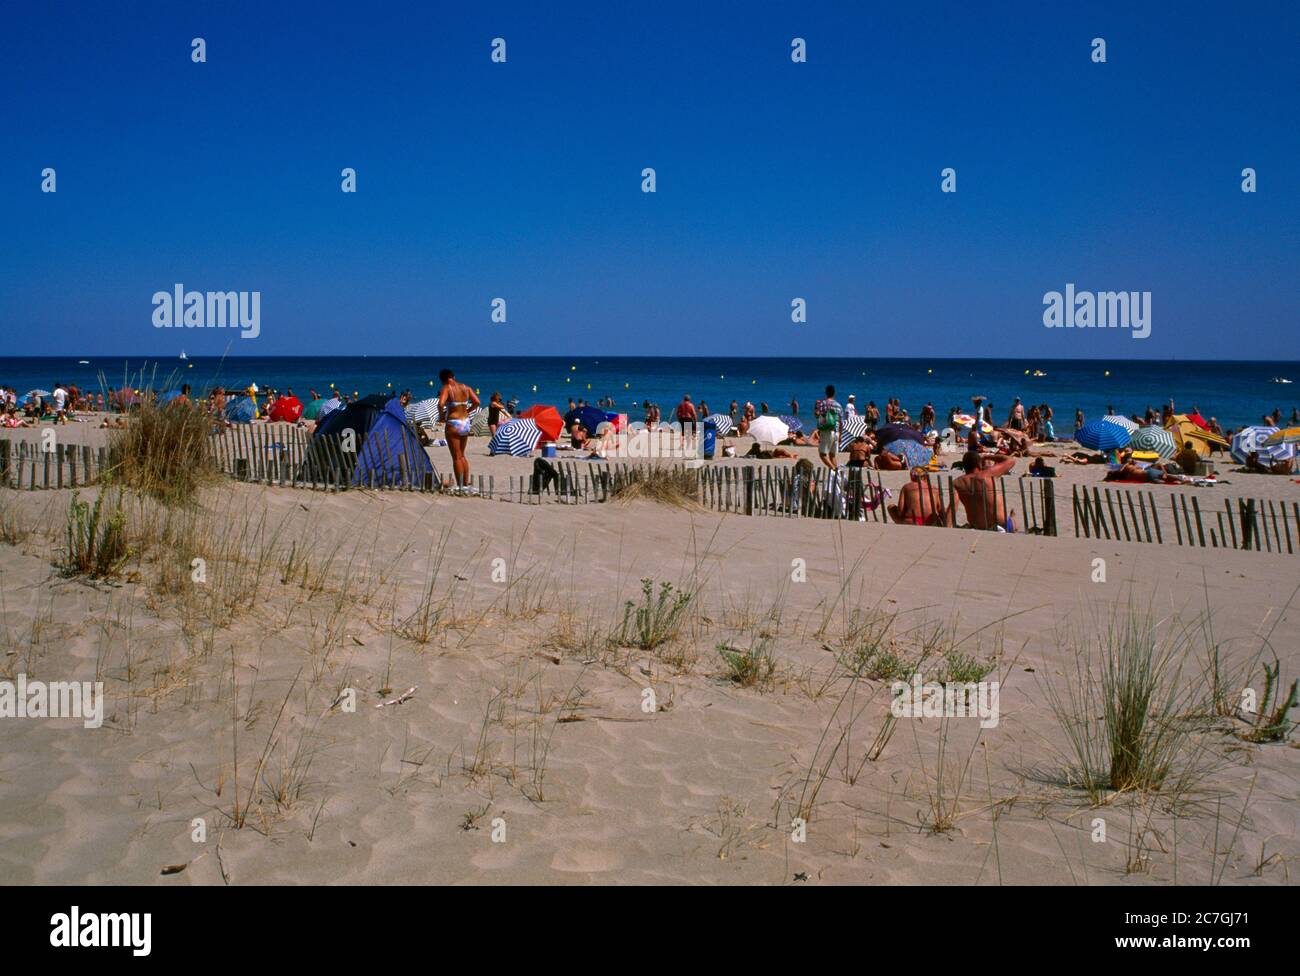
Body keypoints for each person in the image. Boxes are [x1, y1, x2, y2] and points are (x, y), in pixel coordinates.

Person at [437, 368, 480, 492]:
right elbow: (477, 402)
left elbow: (440, 404)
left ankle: (461, 486)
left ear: (443, 380)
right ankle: (465, 484)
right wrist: (468, 410)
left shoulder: (446, 388)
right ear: (453, 376)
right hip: (465, 422)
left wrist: (441, 416)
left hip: (454, 423)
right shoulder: (465, 387)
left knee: (456, 457)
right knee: (462, 455)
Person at [953, 450, 1017, 531]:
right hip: (1002, 526)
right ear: (979, 464)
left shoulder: (957, 483)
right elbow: (1011, 460)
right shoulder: (988, 474)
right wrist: (987, 457)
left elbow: (953, 506)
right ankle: (1013, 519)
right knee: (1013, 519)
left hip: (977, 527)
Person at [813, 384, 842, 471]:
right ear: (834, 393)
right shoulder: (838, 405)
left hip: (827, 431)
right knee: (832, 455)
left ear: (826, 393)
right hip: (836, 431)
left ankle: (833, 469)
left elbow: (818, 416)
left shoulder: (823, 404)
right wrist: (840, 434)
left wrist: (815, 408)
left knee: (822, 454)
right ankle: (837, 474)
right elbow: (841, 422)